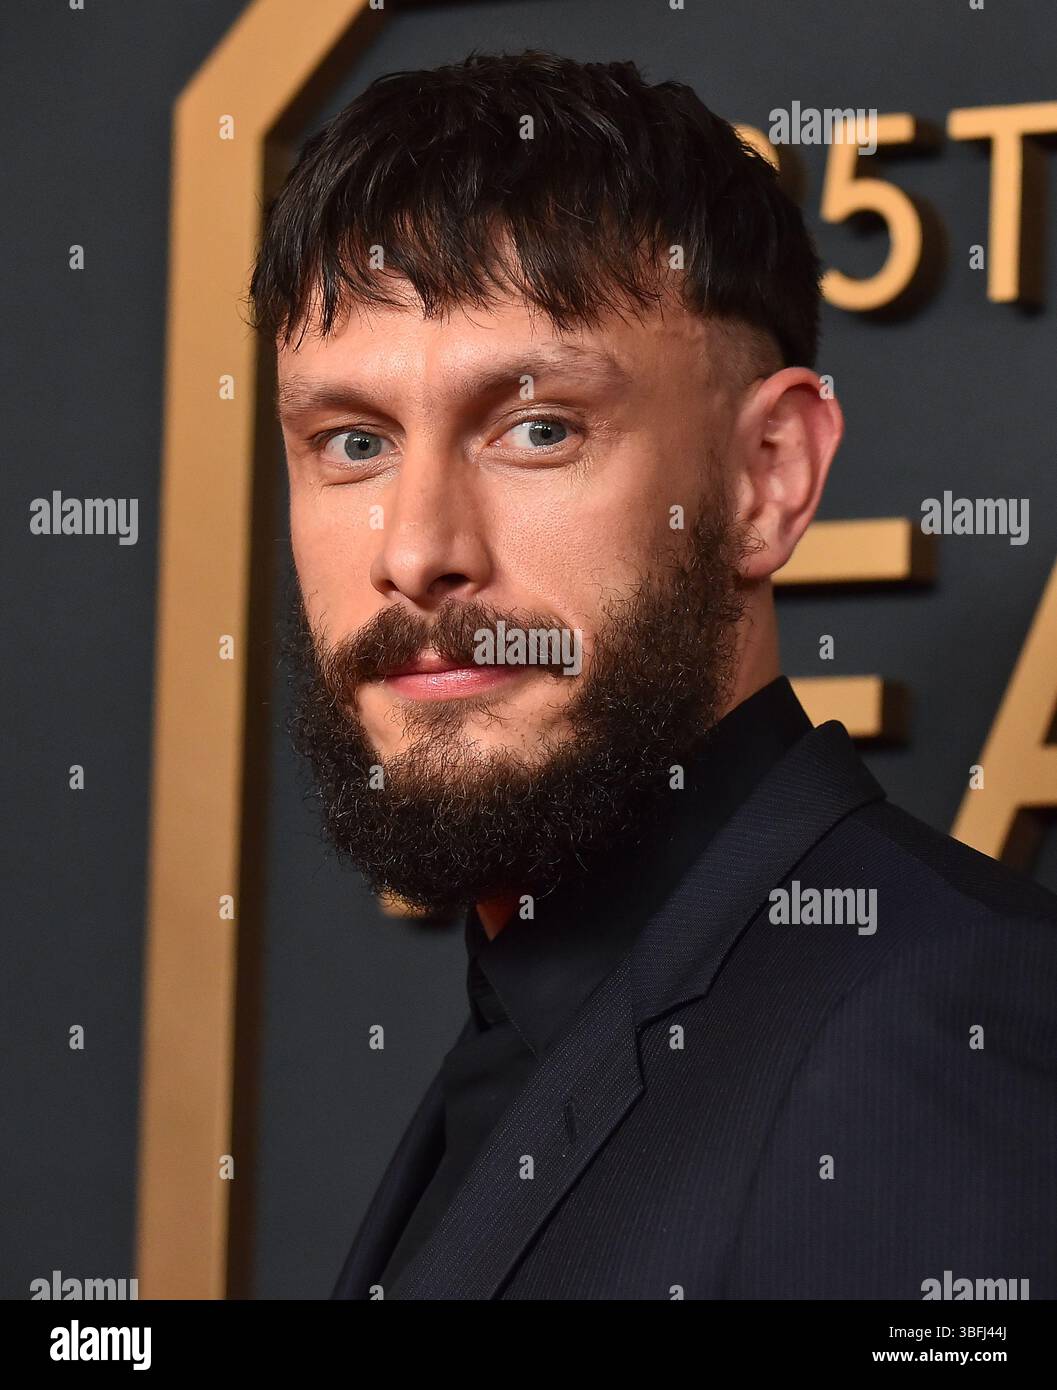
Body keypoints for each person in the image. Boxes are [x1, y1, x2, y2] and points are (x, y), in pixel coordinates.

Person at [248, 51, 1057, 1300]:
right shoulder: (527, 1008)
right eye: (352, 443)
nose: (415, 553)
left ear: (765, 479)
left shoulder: (941, 1028)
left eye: (537, 429)